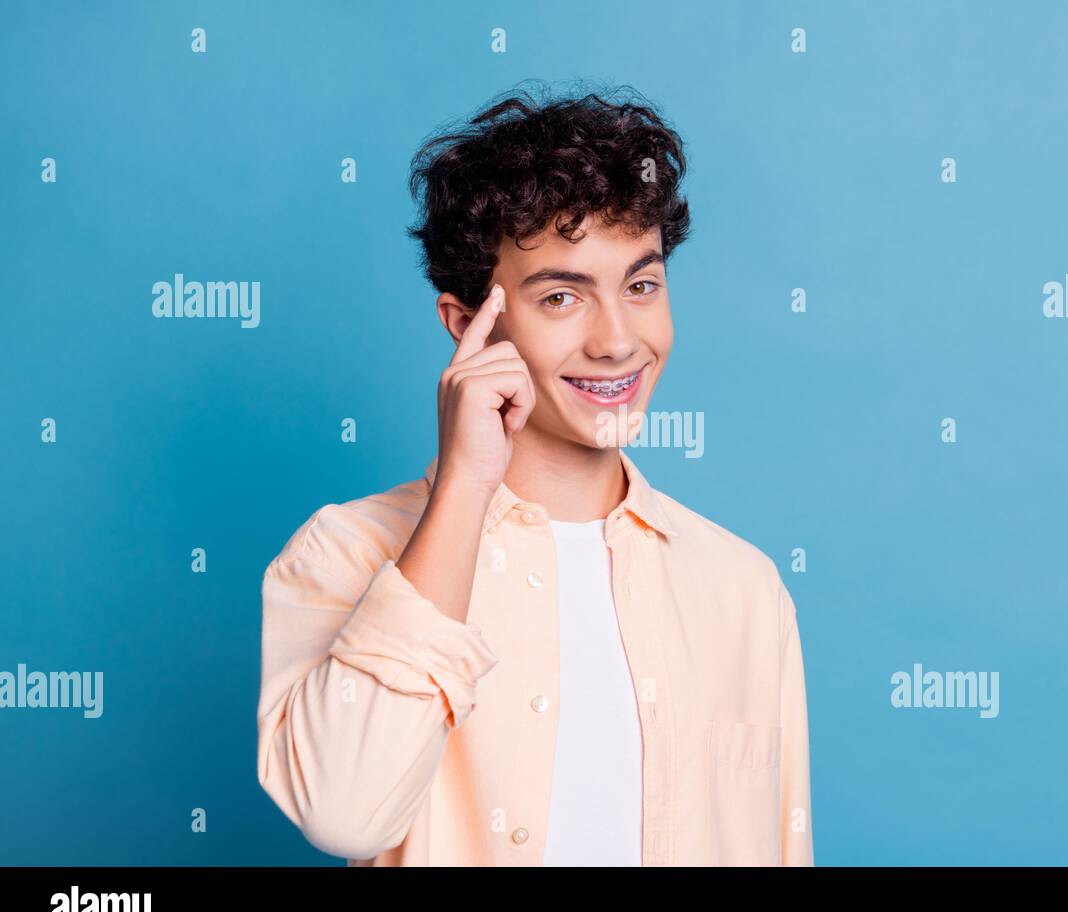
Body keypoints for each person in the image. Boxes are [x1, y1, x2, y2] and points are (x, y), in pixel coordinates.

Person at [256, 85, 813, 866]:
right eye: (561, 296)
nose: (618, 341)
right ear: (468, 325)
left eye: (642, 285)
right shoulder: (344, 554)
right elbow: (345, 815)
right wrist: (463, 488)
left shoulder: (744, 589)